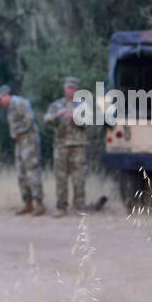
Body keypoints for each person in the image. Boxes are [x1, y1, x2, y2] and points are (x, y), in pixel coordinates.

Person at [0, 85, 44, 216]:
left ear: (6, 95)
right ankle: (28, 204)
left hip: (29, 140)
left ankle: (39, 203)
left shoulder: (20, 103)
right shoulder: (10, 107)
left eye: (0, 99)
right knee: (21, 173)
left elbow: (29, 120)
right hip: (20, 142)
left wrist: (19, 131)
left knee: (32, 171)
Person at [43, 76, 86, 216]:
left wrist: (76, 118)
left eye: (73, 88)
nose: (71, 91)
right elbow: (46, 120)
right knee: (60, 177)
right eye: (69, 88)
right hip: (60, 146)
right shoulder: (57, 105)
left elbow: (90, 123)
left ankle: (79, 207)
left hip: (77, 146)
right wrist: (57, 115)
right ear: (64, 88)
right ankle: (61, 207)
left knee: (78, 177)